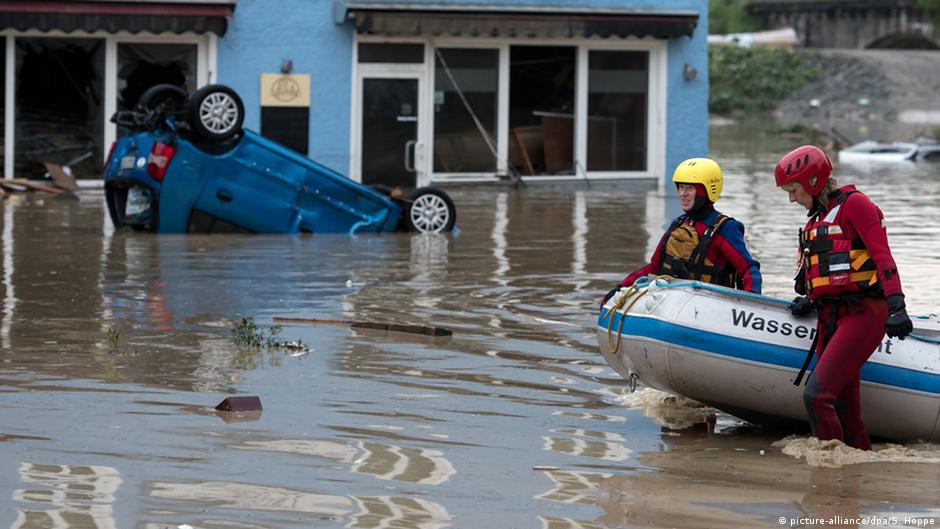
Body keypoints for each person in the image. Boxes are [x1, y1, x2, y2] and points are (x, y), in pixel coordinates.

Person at [776, 145, 913, 451]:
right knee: (844, 408)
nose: (791, 199)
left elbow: (882, 256)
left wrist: (897, 305)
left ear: (813, 182)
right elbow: (827, 273)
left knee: (817, 396)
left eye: (793, 190)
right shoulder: (816, 221)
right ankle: (854, 471)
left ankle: (828, 467)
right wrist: (811, 299)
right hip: (831, 317)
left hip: (863, 314)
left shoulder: (856, 205)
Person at [603, 157, 762, 305]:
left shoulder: (727, 228)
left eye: (690, 188)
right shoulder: (678, 224)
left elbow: (749, 270)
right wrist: (622, 287)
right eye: (681, 187)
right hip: (673, 305)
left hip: (711, 306)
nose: (682, 194)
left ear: (707, 190)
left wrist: (751, 304)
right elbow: (655, 267)